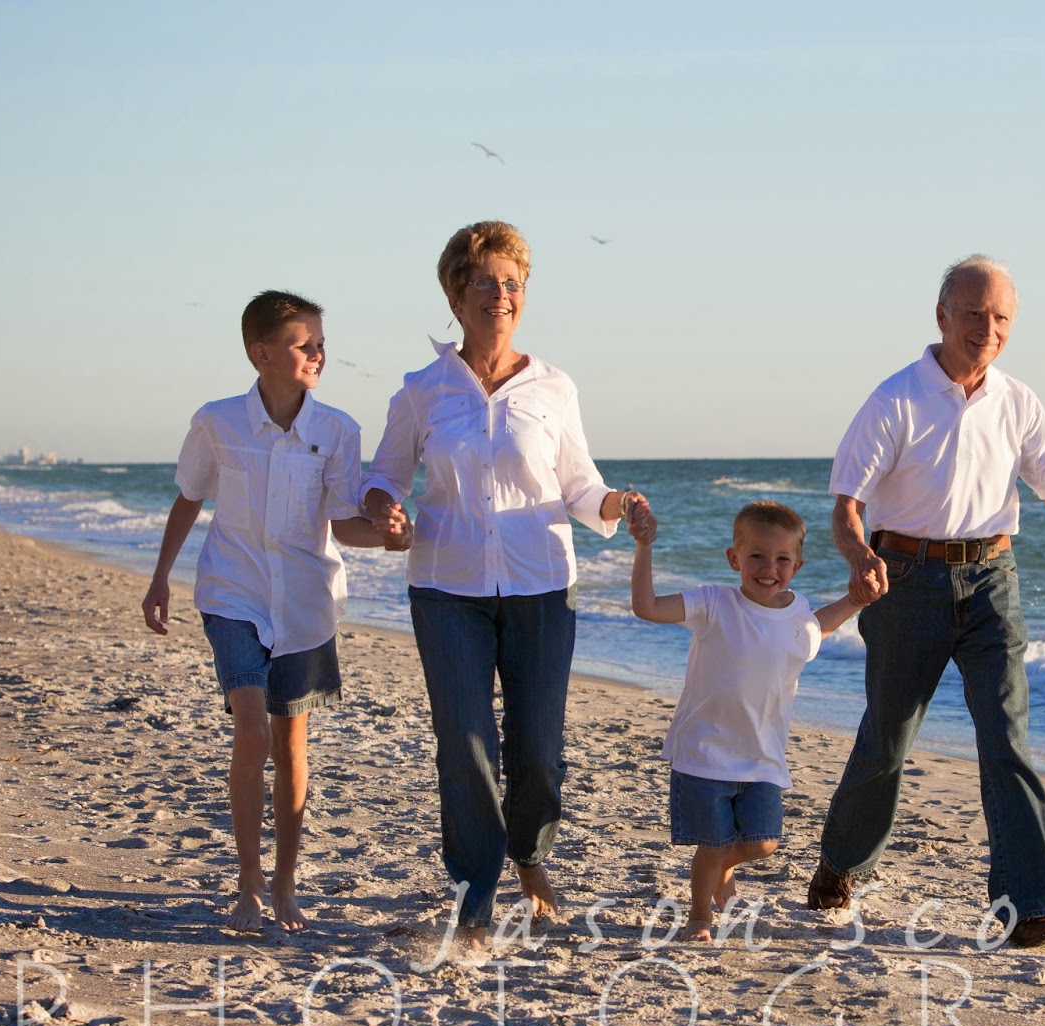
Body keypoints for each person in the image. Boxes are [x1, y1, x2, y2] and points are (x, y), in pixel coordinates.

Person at [807, 255, 1045, 948]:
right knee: (887, 741)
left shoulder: (1019, 402)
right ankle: (841, 863)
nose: (986, 330)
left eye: (999, 318)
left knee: (1007, 739)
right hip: (906, 582)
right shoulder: (895, 398)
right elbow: (846, 506)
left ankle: (1029, 905)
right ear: (941, 316)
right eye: (972, 315)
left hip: (993, 580)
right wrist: (861, 556)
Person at [361, 221, 645, 946]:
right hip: (446, 586)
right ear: (456, 294)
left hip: (542, 585)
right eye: (485, 281)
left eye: (513, 282)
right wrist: (384, 512)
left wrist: (617, 506)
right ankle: (475, 897)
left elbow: (580, 486)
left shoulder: (553, 387)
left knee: (539, 751)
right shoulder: (422, 392)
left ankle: (530, 853)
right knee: (465, 745)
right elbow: (382, 477)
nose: (501, 295)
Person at [142, 290, 411, 933]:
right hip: (232, 592)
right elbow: (188, 498)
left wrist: (392, 536)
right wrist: (159, 579)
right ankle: (248, 885)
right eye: (303, 344)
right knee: (252, 729)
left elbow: (345, 525)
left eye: (321, 342)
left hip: (307, 603)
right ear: (261, 353)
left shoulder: (338, 430)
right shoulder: (217, 421)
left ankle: (285, 886)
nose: (318, 353)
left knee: (292, 746)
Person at [629, 500, 859, 942]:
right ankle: (700, 917)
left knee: (763, 842)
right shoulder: (713, 603)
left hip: (762, 755)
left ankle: (720, 871)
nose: (768, 568)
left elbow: (816, 629)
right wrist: (644, 547)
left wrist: (854, 599)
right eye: (756, 555)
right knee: (712, 844)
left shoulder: (797, 613)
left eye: (782, 559)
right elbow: (647, 607)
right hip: (704, 752)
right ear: (734, 559)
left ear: (798, 564)